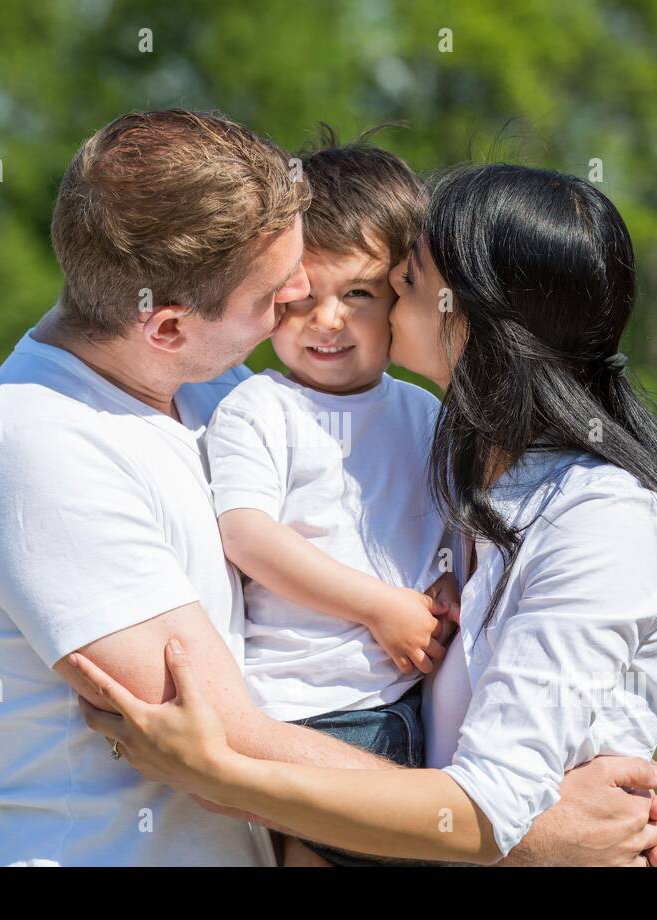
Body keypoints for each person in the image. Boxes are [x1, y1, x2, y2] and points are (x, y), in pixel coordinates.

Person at [68, 163, 657, 866]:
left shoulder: (599, 522)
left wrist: (222, 775)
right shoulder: (473, 475)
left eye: (401, 282)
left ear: (467, 316)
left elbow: (489, 808)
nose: (376, 304)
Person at [204, 131, 456, 866]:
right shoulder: (260, 407)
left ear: (404, 296)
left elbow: (441, 530)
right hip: (310, 714)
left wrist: (440, 586)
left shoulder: (426, 412)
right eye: (300, 297)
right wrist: (380, 607)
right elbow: (248, 535)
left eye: (358, 294)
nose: (328, 320)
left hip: (416, 708)